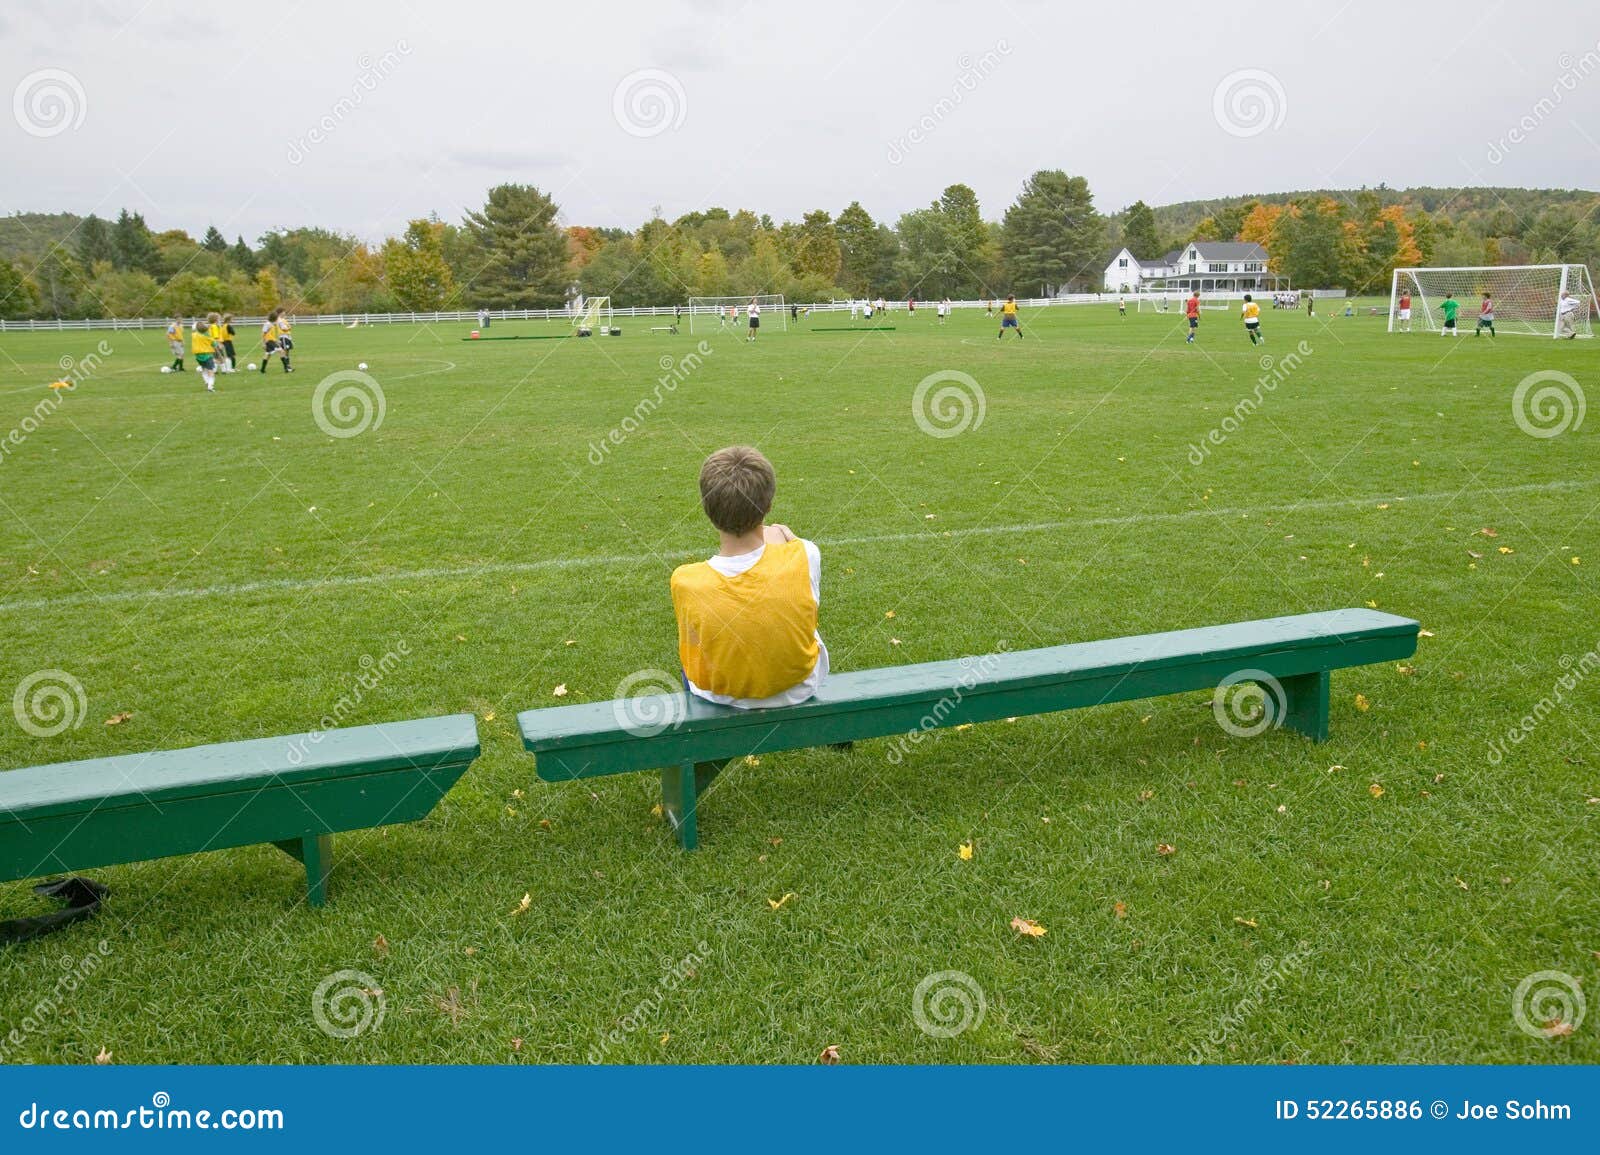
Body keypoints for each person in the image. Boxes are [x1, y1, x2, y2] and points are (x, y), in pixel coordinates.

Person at [670, 446, 828, 709]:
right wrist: (783, 534)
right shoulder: (805, 553)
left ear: (707, 509)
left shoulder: (685, 580)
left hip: (720, 695)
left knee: (694, 648)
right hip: (798, 686)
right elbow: (797, 547)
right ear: (768, 505)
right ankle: (831, 728)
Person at [190, 317, 218, 392]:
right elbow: (215, 344)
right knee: (211, 371)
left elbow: (193, 329)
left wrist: (196, 325)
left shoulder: (194, 335)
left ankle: (206, 382)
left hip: (198, 356)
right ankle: (210, 386)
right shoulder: (208, 337)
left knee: (204, 369)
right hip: (207, 355)